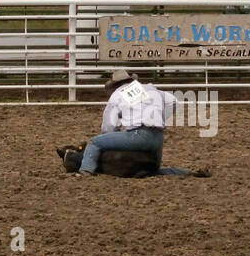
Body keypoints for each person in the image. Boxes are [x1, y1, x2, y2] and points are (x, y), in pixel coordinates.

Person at [62, 69, 209, 177]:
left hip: (137, 136)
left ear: (114, 85)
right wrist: (159, 117)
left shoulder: (117, 94)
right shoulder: (148, 88)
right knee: (153, 170)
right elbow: (173, 102)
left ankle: (84, 172)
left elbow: (108, 126)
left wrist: (115, 137)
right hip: (157, 138)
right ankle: (187, 172)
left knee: (95, 142)